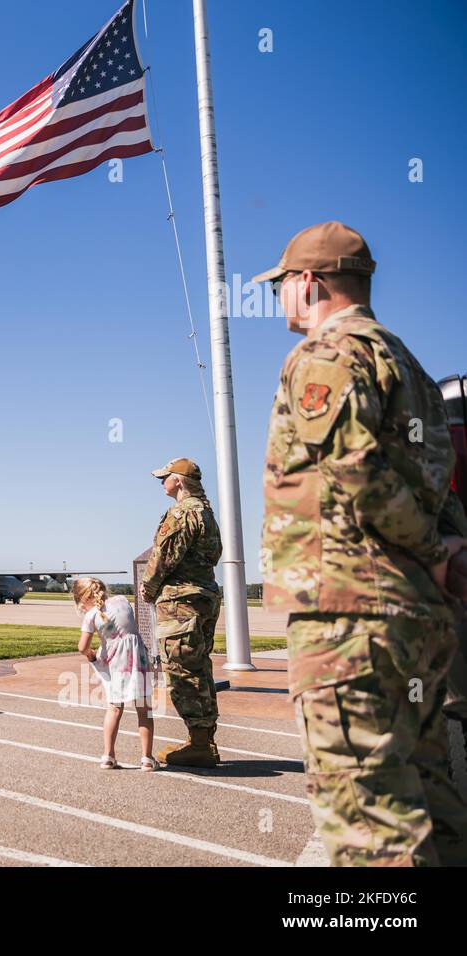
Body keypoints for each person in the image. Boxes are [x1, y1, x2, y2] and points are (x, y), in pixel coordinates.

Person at [258, 220, 467, 866]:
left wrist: (433, 551)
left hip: (349, 620)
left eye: (281, 287)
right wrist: (448, 556)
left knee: (370, 830)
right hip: (417, 624)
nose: (278, 301)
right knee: (432, 808)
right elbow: (443, 490)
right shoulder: (414, 371)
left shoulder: (326, 354)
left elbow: (356, 470)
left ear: (310, 282)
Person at [139, 457, 223, 768]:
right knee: (199, 667)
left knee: (183, 671)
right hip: (204, 598)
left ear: (179, 481)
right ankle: (203, 740)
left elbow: (163, 557)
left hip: (181, 603)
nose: (162, 482)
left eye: (166, 477)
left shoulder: (182, 512)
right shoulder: (207, 514)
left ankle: (200, 744)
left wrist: (148, 588)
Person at [73, 576, 156, 771]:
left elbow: (82, 646)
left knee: (114, 708)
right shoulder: (122, 601)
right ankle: (147, 758)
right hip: (138, 658)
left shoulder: (92, 615)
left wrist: (92, 655)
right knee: (144, 709)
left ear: (83, 599)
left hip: (117, 663)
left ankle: (108, 756)